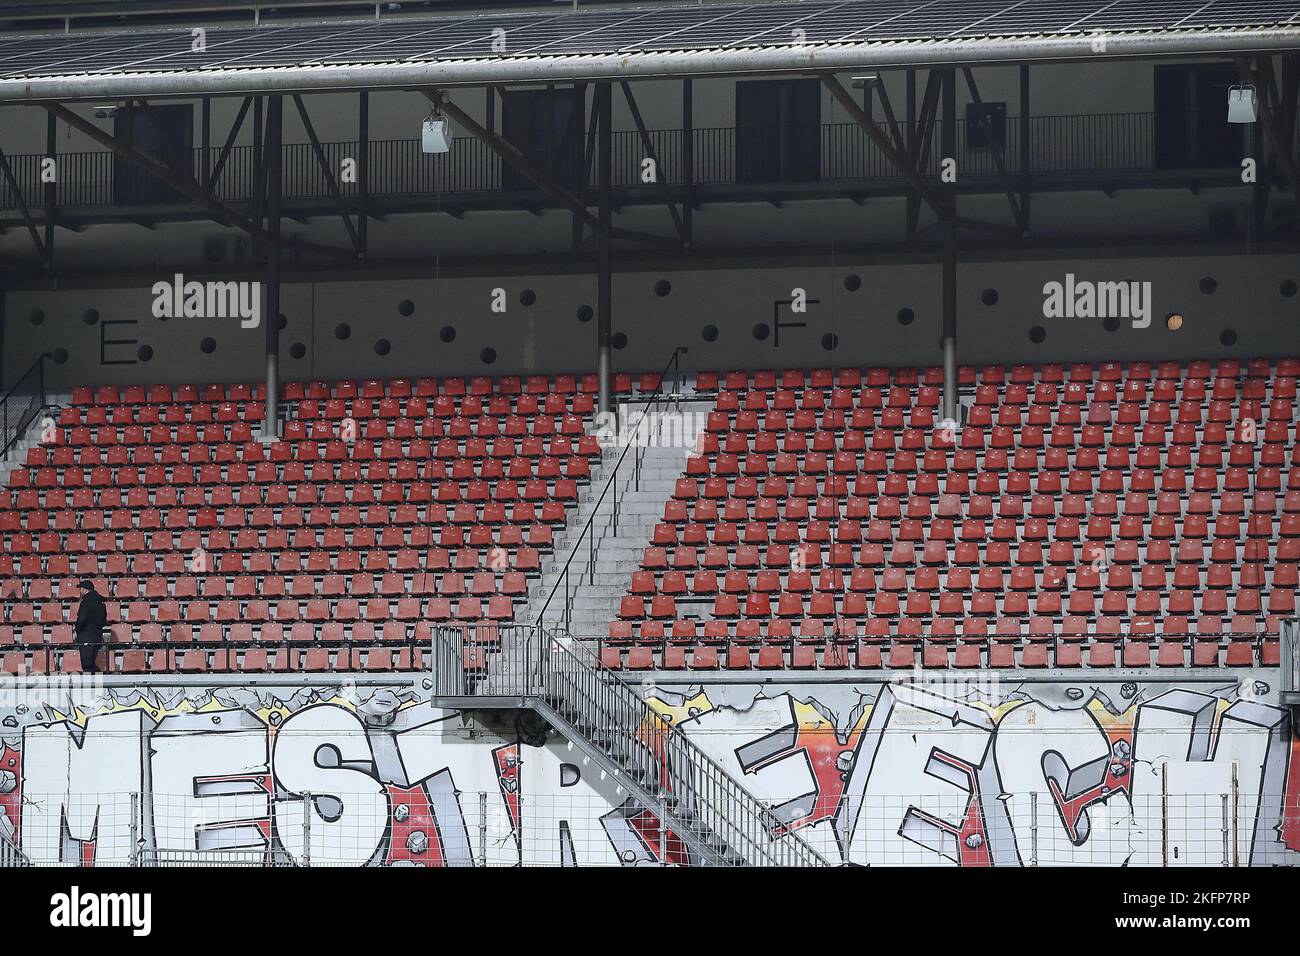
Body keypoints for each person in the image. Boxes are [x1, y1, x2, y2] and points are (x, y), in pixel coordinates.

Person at [73, 580, 107, 674]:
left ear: (85, 590)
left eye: (81, 589)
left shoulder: (85, 602)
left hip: (86, 637)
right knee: (91, 663)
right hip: (97, 637)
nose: (80, 591)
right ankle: (98, 679)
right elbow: (103, 621)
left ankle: (91, 686)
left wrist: (77, 629)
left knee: (86, 665)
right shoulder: (101, 603)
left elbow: (82, 619)